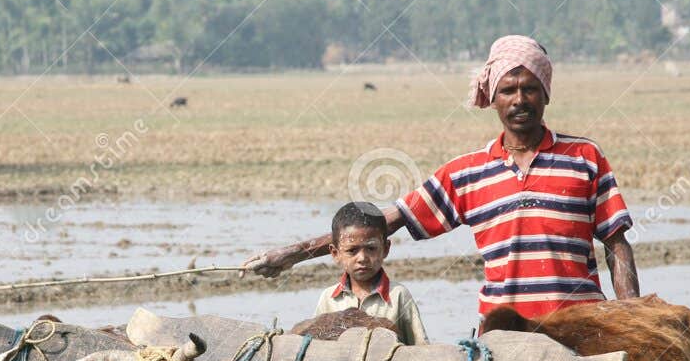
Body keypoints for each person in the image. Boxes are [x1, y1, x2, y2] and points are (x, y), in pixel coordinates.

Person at [246, 35, 640, 322]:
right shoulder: (466, 173)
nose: (520, 100)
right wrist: (291, 255)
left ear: (546, 94)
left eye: (530, 89)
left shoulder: (584, 157)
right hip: (505, 334)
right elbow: (382, 223)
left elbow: (616, 244)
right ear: (493, 98)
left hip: (582, 326)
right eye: (508, 90)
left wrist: (634, 319)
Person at [314, 201, 429, 345]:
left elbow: (420, 348)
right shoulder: (328, 298)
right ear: (335, 253)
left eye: (371, 248)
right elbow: (314, 348)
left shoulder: (398, 295)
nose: (362, 258)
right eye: (352, 250)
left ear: (385, 249)